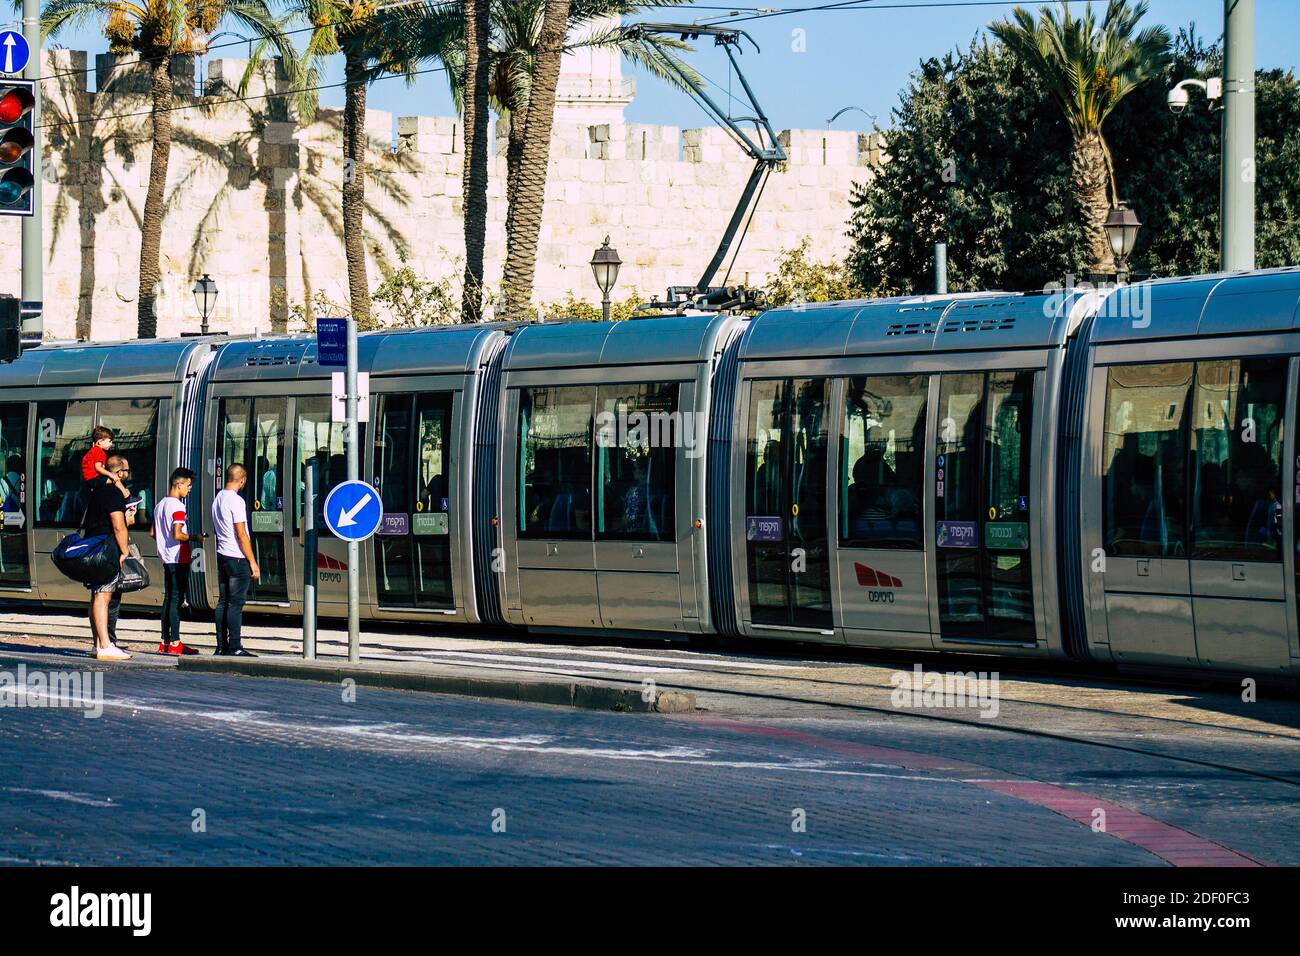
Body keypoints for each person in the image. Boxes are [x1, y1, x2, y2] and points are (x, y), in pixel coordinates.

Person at [83, 455, 132, 661]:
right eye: (126, 471)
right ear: (118, 473)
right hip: (106, 549)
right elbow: (118, 524)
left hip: (93, 547)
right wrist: (124, 550)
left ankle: (97, 643)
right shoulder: (113, 493)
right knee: (104, 595)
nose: (128, 474)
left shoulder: (97, 492)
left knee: (96, 595)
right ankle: (105, 645)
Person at [154, 466, 205, 655]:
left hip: (166, 557)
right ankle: (175, 642)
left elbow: (153, 532)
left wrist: (164, 542)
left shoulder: (160, 505)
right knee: (176, 600)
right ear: (179, 484)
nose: (189, 489)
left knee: (168, 599)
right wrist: (195, 537)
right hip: (179, 557)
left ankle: (164, 642)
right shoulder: (177, 506)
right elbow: (178, 534)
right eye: (188, 485)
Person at [212, 463, 260, 657]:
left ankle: (221, 645)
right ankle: (236, 647)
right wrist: (253, 562)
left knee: (223, 601)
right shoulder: (236, 501)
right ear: (242, 480)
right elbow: (241, 534)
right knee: (236, 604)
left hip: (223, 555)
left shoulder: (218, 499)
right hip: (237, 558)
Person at [82, 426, 127, 506]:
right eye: (109, 441)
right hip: (94, 479)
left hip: (89, 479)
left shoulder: (92, 451)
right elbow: (98, 468)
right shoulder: (100, 452)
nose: (111, 444)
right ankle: (127, 497)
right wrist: (110, 474)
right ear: (100, 442)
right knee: (115, 479)